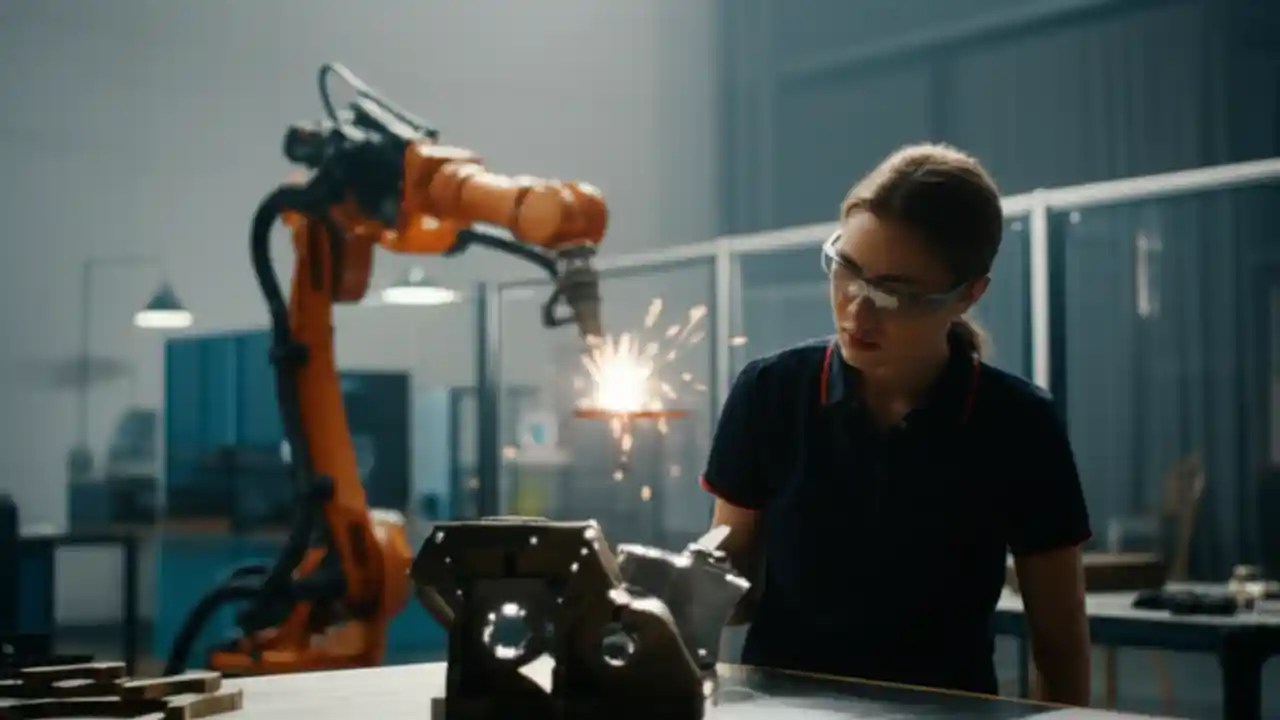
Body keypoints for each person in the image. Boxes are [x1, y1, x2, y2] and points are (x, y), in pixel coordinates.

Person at [701, 143, 1092, 704]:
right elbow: (732, 590)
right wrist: (681, 590)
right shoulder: (770, 393)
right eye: (847, 272)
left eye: (897, 293)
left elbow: (1059, 646)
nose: (857, 311)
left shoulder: (1018, 424)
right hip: (784, 709)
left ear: (969, 294)